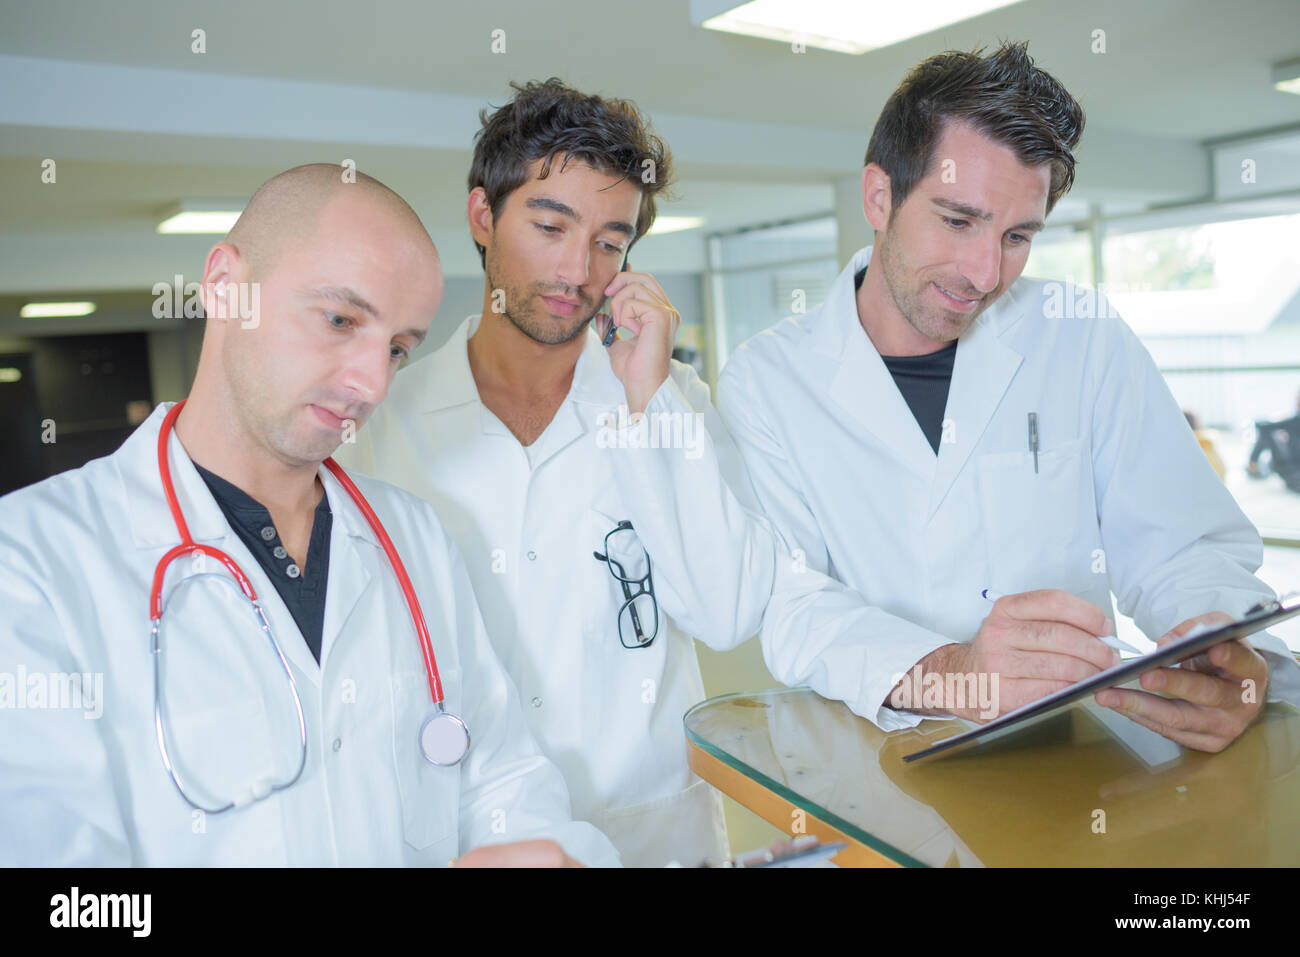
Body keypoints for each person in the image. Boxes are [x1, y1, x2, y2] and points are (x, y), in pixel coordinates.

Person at [0, 164, 618, 866]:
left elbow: (500, 778)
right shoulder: (31, 562)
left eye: (397, 348)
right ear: (225, 285)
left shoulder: (415, 539)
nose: (372, 382)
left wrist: (543, 851)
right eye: (340, 319)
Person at [718, 42, 1300, 753]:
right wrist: (956, 673)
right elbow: (793, 601)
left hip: (1085, 752)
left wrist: (1222, 650)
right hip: (881, 764)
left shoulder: (1080, 336)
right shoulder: (767, 378)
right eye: (958, 220)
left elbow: (1176, 544)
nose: (984, 272)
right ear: (880, 195)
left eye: (1017, 235)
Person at [336, 79, 778, 866]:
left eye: (611, 241)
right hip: (479, 841)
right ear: (483, 216)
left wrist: (649, 397)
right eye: (550, 225)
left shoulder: (670, 399)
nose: (579, 268)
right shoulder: (383, 429)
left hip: (654, 833)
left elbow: (727, 611)